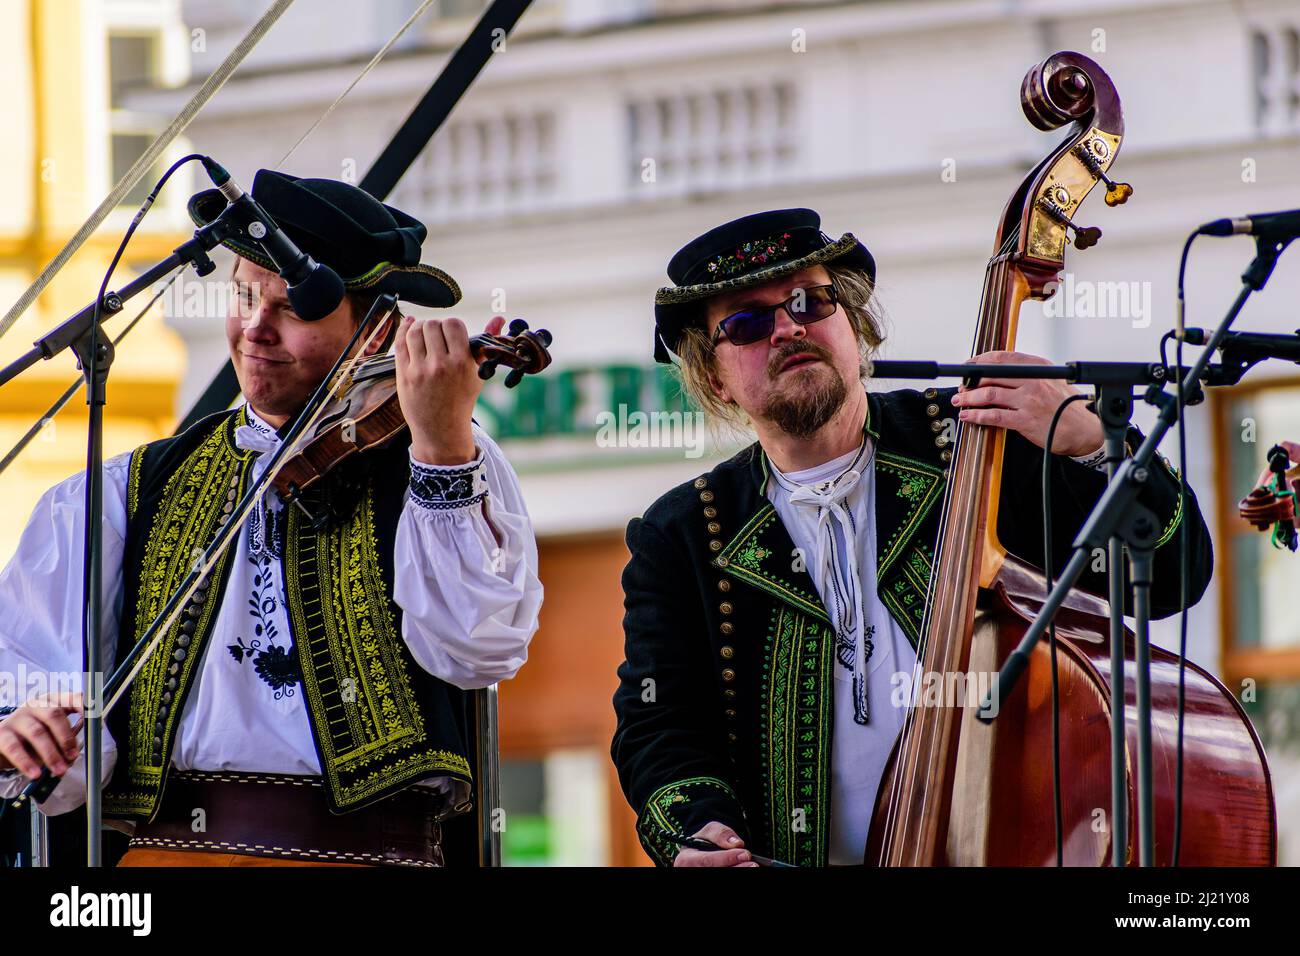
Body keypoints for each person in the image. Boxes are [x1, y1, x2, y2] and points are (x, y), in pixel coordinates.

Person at [611, 208, 1213, 867]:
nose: (789, 327)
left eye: (812, 301)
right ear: (717, 377)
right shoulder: (681, 534)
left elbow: (1173, 573)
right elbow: (661, 727)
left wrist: (1092, 441)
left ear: (856, 328)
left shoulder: (983, 441)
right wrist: (701, 833)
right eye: (749, 322)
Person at [0, 170, 543, 867]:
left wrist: (439, 448)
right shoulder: (128, 491)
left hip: (365, 857)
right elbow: (29, 669)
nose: (256, 328)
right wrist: (36, 726)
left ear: (378, 327)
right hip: (167, 859)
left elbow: (475, 647)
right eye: (244, 295)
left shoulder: (443, 461)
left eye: (295, 308)